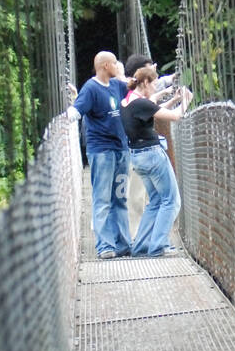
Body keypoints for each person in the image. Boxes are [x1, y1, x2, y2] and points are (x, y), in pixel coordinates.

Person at [119, 58, 192, 258]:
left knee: (156, 201)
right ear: (145, 83)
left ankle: (142, 245)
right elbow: (176, 116)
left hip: (138, 157)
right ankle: (158, 245)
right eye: (153, 83)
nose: (155, 87)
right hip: (152, 155)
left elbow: (152, 108)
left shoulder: (127, 101)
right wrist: (186, 100)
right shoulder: (141, 103)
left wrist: (173, 99)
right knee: (172, 200)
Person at [66, 51, 132, 260]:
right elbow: (76, 112)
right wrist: (60, 124)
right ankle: (105, 246)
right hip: (102, 151)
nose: (117, 66)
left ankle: (123, 244)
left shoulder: (117, 85)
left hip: (121, 149)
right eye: (114, 63)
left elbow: (138, 87)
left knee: (120, 197)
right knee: (103, 198)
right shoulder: (91, 88)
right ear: (105, 66)